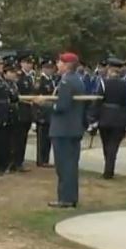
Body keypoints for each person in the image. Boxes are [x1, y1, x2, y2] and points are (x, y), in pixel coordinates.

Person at [47, 52, 88, 208]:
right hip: (73, 128)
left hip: (63, 129)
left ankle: (65, 198)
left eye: (60, 62)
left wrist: (43, 105)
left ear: (66, 65)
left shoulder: (66, 82)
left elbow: (61, 106)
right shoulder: (77, 80)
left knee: (64, 166)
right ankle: (71, 197)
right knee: (71, 164)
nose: (57, 64)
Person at [92, 58, 126, 179]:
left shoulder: (103, 83)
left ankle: (108, 168)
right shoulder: (125, 84)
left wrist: (93, 119)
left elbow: (98, 102)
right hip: (119, 118)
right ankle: (109, 168)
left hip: (105, 117)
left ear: (109, 69)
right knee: (113, 145)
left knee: (106, 144)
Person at [35, 59, 57, 167]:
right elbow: (36, 97)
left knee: (48, 137)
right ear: (43, 68)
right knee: (42, 138)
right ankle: (41, 159)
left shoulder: (51, 80)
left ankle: (46, 159)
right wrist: (37, 114)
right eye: (47, 68)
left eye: (51, 68)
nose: (50, 70)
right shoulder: (40, 80)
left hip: (50, 112)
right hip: (42, 112)